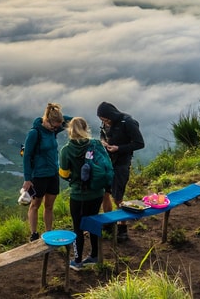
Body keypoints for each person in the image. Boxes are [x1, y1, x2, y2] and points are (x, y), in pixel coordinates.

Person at [58, 117, 109, 270]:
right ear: (86, 128)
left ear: (70, 130)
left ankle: (78, 260)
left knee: (78, 227)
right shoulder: (96, 144)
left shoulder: (66, 150)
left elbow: (64, 174)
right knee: (93, 221)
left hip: (79, 194)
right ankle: (94, 255)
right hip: (97, 192)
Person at [21, 103, 72, 242]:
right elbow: (27, 156)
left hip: (53, 174)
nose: (56, 129)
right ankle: (34, 234)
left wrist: (62, 118)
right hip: (38, 176)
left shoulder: (52, 130)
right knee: (35, 205)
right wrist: (27, 178)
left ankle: (49, 233)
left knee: (49, 206)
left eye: (58, 126)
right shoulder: (34, 133)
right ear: (46, 120)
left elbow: (70, 120)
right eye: (54, 126)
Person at [96, 101, 144, 243]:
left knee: (118, 197)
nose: (105, 122)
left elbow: (140, 143)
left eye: (105, 119)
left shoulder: (127, 122)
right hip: (107, 162)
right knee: (105, 193)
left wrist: (119, 148)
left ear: (111, 115)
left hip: (122, 163)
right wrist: (103, 142)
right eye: (102, 120)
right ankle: (109, 222)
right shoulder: (106, 124)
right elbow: (102, 135)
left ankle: (122, 227)